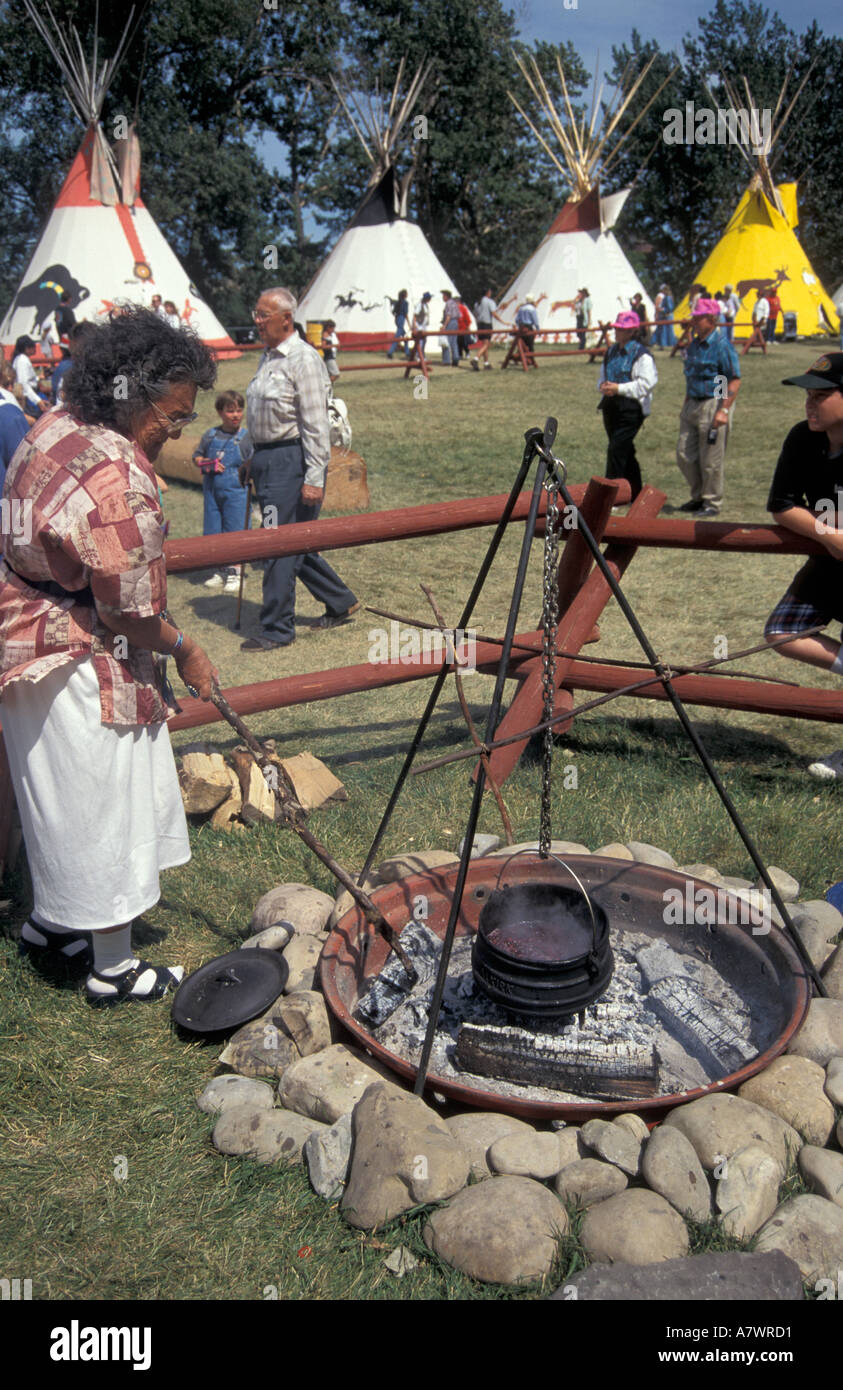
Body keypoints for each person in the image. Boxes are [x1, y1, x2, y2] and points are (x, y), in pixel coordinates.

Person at [0, 307, 218, 1003]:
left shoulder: (57, 424)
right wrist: (186, 648)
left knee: (56, 797)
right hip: (72, 651)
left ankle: (50, 926)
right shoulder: (119, 477)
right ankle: (114, 970)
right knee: (103, 801)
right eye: (173, 416)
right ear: (133, 392)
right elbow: (130, 610)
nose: (175, 431)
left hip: (22, 632)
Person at [241, 287, 359, 651]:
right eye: (256, 314)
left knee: (278, 542)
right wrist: (251, 457)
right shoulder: (269, 358)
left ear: (285, 319)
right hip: (267, 459)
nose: (257, 322)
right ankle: (339, 600)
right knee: (296, 540)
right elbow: (260, 416)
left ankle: (276, 628)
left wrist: (313, 477)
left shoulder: (304, 360)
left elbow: (314, 424)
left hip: (292, 461)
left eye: (263, 316)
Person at [764, 353, 843, 780]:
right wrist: (830, 536)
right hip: (831, 559)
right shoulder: (802, 438)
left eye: (823, 396)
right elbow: (781, 505)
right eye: (808, 396)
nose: (811, 405)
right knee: (781, 631)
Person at [674, 298, 741, 516]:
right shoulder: (693, 345)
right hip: (692, 402)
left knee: (711, 458)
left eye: (698, 317)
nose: (694, 320)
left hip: (713, 402)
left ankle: (711, 502)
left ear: (711, 319)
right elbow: (691, 376)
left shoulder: (721, 345)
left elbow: (730, 378)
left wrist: (722, 409)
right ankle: (698, 496)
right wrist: (685, 404)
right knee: (684, 454)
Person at [193, 389, 253, 595]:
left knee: (235, 531)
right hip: (212, 492)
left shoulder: (245, 438)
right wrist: (207, 464)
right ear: (220, 412)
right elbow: (197, 458)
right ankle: (221, 570)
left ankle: (236, 572)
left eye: (239, 410)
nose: (236, 415)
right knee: (214, 531)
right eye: (230, 411)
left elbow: (253, 463)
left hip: (237, 493)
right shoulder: (210, 435)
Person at [597, 311, 657, 502]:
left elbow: (646, 384)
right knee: (625, 450)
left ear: (631, 331)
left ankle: (610, 496)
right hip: (611, 406)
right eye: (616, 328)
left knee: (616, 448)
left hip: (631, 408)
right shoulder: (611, 351)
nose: (616, 332)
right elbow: (603, 374)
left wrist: (619, 388)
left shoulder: (642, 356)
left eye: (621, 329)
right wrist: (603, 386)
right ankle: (636, 492)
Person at [13, 336, 49, 419]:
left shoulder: (20, 359)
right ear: (27, 348)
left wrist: (38, 378)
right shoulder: (22, 361)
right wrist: (38, 401)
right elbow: (24, 384)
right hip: (29, 399)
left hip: (30, 396)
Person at [472, 288, 500, 370]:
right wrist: (503, 322)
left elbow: (475, 314)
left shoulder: (477, 303)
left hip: (480, 324)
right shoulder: (489, 301)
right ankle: (476, 359)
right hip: (487, 324)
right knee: (486, 344)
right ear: (488, 292)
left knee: (485, 344)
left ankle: (486, 363)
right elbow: (494, 313)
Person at [386, 290, 410, 359]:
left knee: (405, 337)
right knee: (397, 337)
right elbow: (405, 314)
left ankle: (407, 352)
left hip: (397, 319)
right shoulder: (405, 303)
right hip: (401, 318)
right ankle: (390, 352)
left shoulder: (397, 302)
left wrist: (396, 319)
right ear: (405, 295)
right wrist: (409, 324)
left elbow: (394, 312)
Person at [440, 289, 461, 366]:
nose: (442, 297)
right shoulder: (454, 303)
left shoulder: (448, 304)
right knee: (454, 341)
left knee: (446, 341)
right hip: (455, 322)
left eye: (443, 296)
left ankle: (446, 360)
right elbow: (459, 314)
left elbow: (448, 316)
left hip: (450, 322)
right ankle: (455, 358)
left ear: (446, 296)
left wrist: (444, 325)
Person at [653, 284, 676, 350]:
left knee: (665, 331)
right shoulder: (668, 297)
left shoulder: (667, 298)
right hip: (667, 315)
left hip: (667, 315)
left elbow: (669, 308)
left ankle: (664, 344)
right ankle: (666, 344)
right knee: (667, 330)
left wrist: (662, 309)